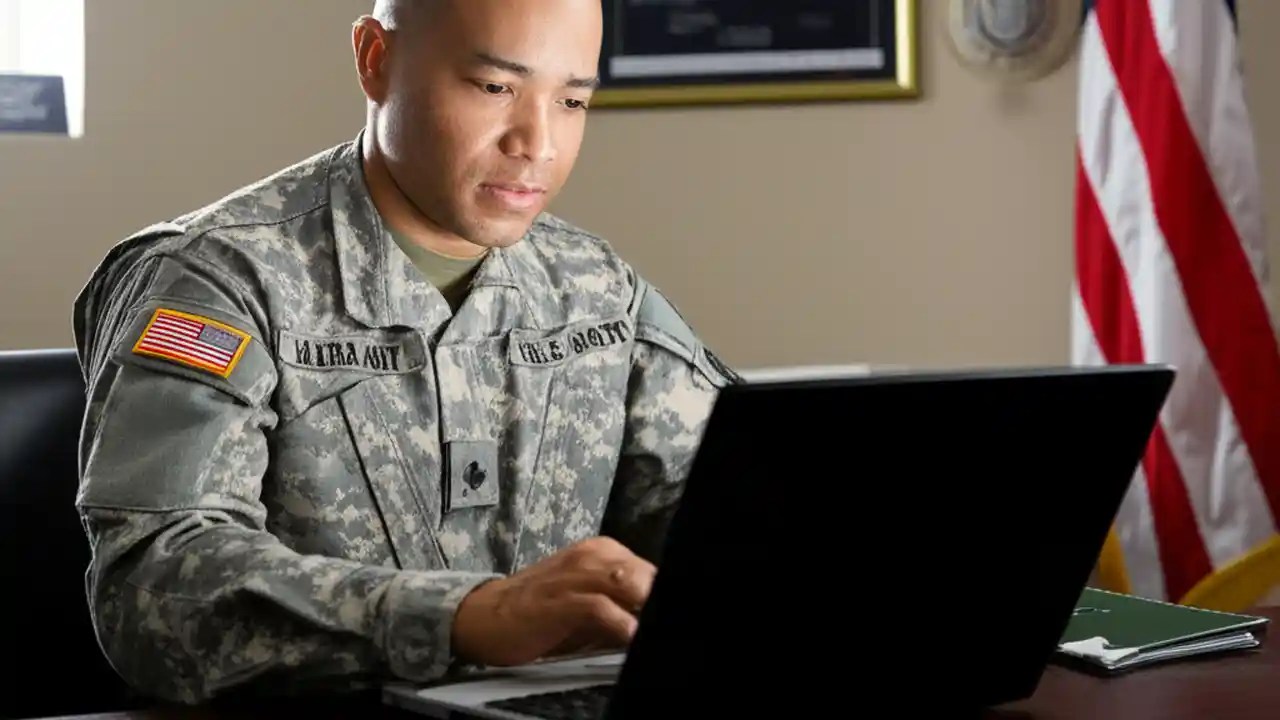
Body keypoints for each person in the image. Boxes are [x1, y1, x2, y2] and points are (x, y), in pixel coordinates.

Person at [71, 0, 740, 706]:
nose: (537, 142)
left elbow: (726, 501)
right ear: (375, 59)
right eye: (494, 88)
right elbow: (155, 584)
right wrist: (466, 618)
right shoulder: (220, 278)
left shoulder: (597, 288)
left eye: (572, 100)